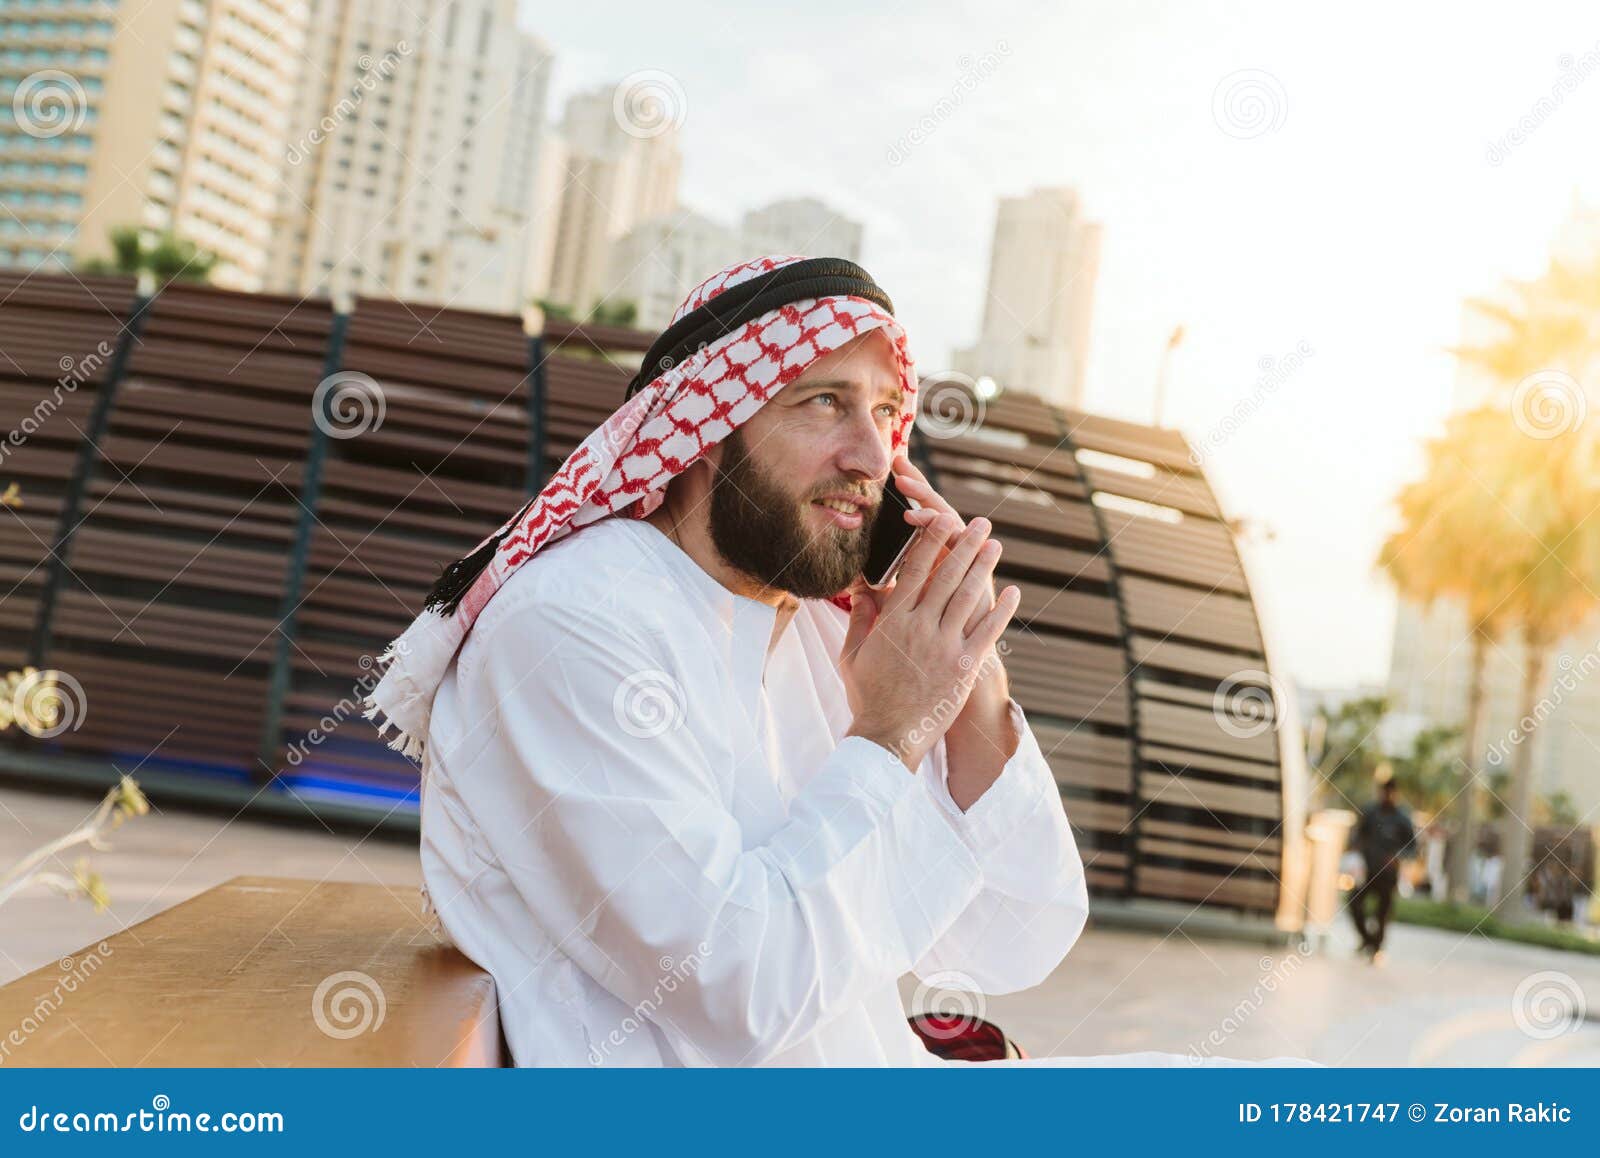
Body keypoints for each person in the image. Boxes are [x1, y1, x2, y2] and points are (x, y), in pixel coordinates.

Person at [364, 256, 1307, 1068]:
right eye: (825, 402)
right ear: (701, 428)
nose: (874, 451)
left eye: (889, 411)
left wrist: (966, 690)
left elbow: (1019, 935)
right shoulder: (573, 625)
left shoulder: (824, 630)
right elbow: (737, 989)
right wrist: (890, 731)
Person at [1348, 775, 1416, 963]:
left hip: (1388, 875)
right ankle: (1367, 941)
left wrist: (1398, 856)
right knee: (1353, 903)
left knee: (1383, 914)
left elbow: (1412, 847)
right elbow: (1357, 835)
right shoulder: (1370, 812)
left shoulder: (1403, 818)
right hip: (1367, 871)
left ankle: (1376, 948)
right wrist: (1356, 850)